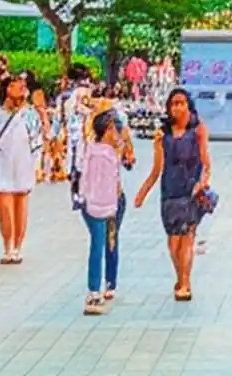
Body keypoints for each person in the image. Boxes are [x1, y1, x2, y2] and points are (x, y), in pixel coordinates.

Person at [135, 88, 213, 301]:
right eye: (174, 103)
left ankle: (185, 284)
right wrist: (143, 192)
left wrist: (203, 182)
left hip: (191, 191)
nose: (177, 107)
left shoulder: (198, 130)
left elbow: (206, 162)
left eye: (181, 103)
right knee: (173, 242)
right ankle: (180, 277)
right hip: (169, 191)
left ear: (188, 105)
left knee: (187, 238)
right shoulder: (163, 134)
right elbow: (157, 168)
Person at [0, 72, 44, 265]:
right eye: (18, 86)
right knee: (3, 206)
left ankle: (17, 246)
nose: (23, 89)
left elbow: (37, 141)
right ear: (8, 89)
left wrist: (38, 166)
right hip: (0, 164)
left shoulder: (30, 114)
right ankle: (7, 245)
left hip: (23, 163)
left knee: (20, 203)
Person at [78, 109, 126, 315]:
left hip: (93, 203)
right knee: (107, 242)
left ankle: (100, 286)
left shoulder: (91, 150)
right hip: (106, 203)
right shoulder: (107, 153)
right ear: (108, 129)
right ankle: (100, 287)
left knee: (101, 243)